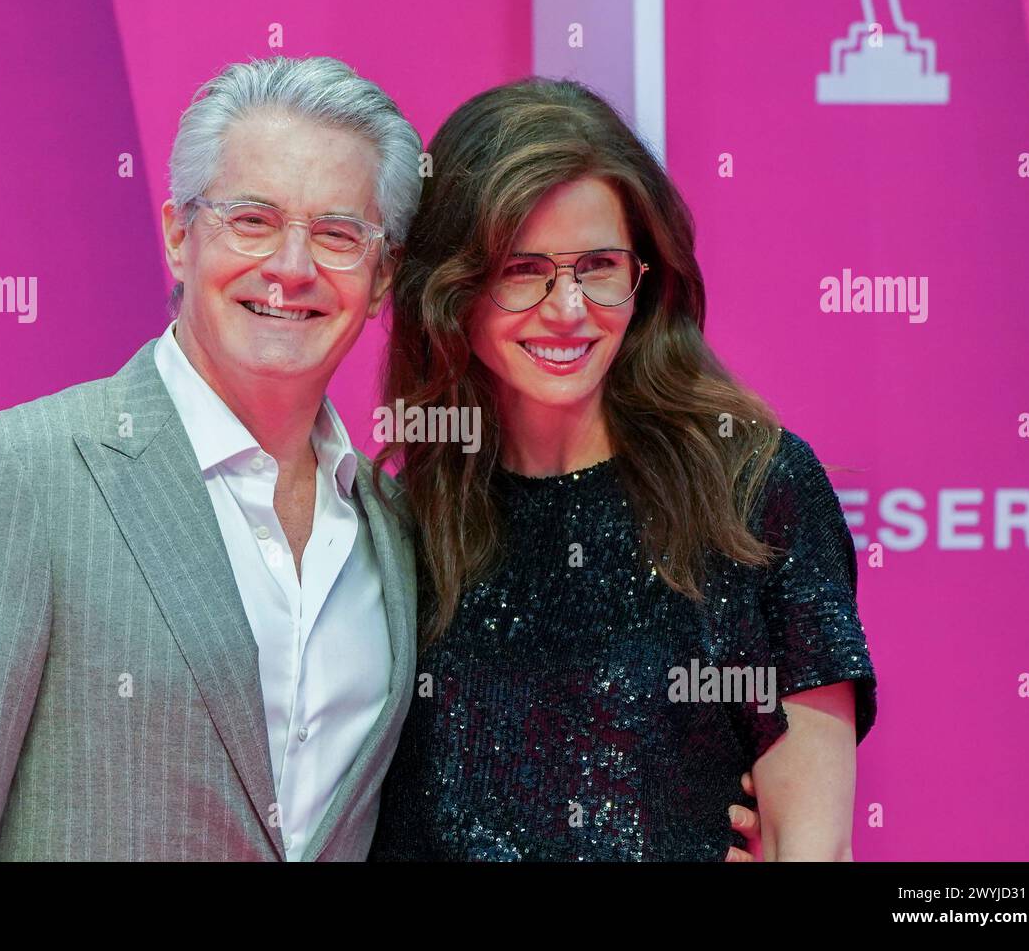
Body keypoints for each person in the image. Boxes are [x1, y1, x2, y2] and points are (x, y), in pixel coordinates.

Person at [0, 56, 423, 861]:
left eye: (336, 235)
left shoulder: (393, 534)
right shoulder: (17, 480)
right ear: (179, 236)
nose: (292, 268)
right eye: (251, 220)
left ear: (382, 273)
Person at [369, 78, 878, 861]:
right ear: (452, 289)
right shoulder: (402, 526)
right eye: (522, 268)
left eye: (599, 264)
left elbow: (815, 850)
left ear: (644, 276)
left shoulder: (753, 492)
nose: (568, 308)